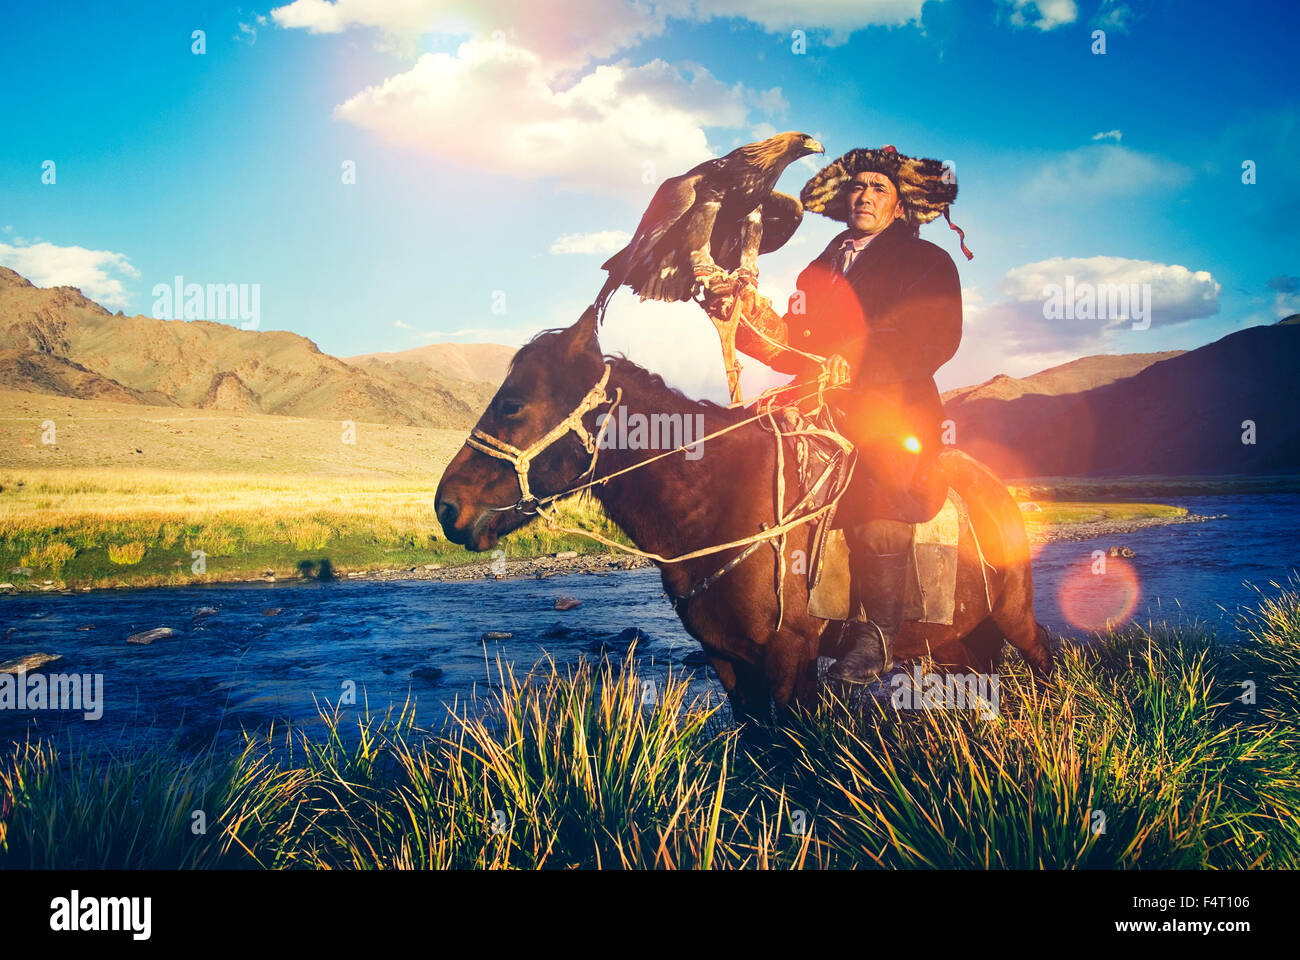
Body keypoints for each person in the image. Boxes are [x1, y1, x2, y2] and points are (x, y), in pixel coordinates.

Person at [699, 144, 969, 684]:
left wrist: (861, 358)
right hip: (815, 403)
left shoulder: (928, 263)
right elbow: (793, 344)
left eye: (879, 188)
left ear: (900, 205)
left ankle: (878, 631)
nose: (864, 195)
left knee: (877, 487)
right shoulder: (817, 269)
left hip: (894, 409)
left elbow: (937, 334)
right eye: (858, 186)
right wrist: (743, 318)